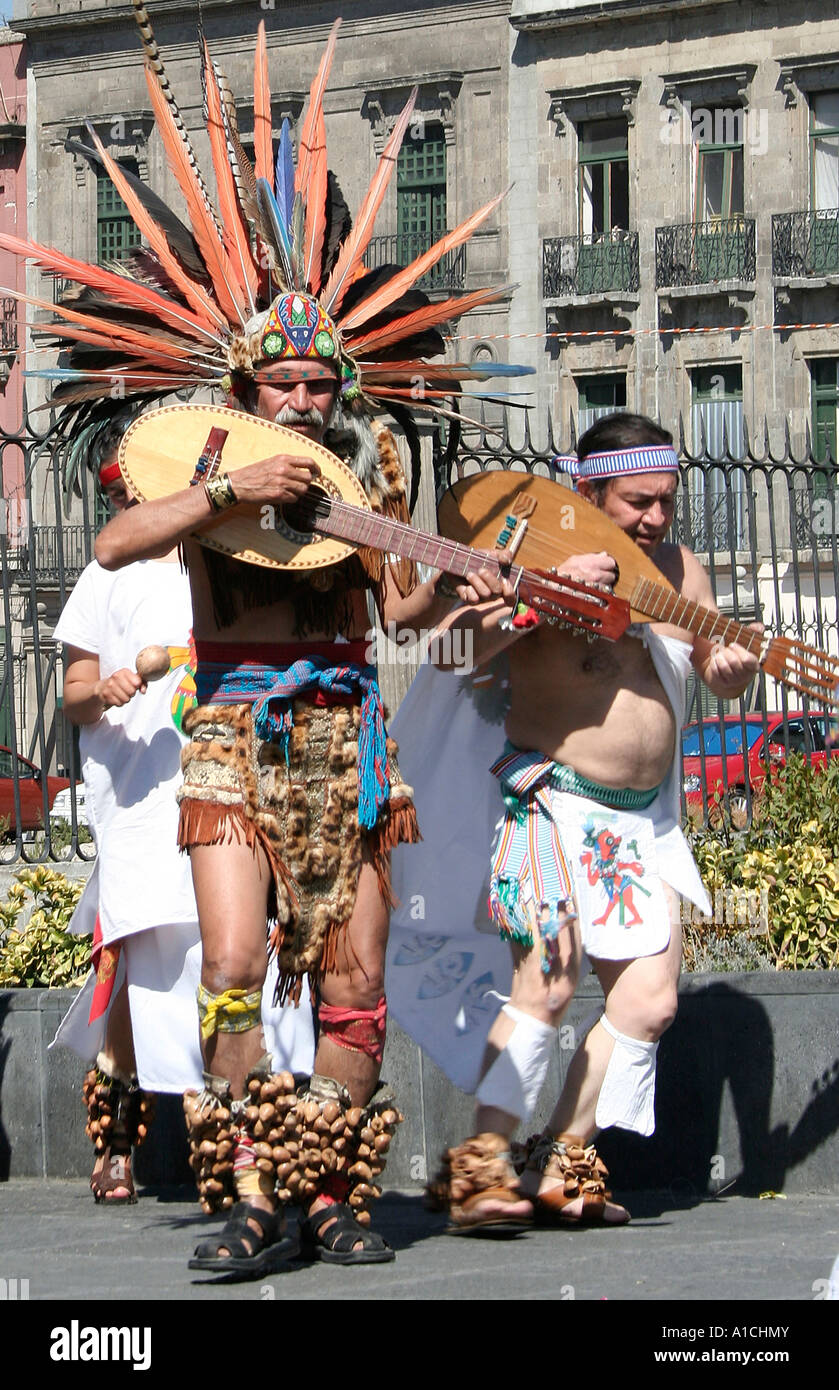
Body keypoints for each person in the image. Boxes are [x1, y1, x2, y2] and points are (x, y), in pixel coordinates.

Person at [0, 8, 535, 1276]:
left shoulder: (375, 475)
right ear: (242, 395)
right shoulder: (198, 471)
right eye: (280, 386)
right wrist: (229, 496)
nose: (302, 399)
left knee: (352, 980)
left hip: (348, 736)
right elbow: (124, 542)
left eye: (316, 387)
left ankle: (331, 1187)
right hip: (233, 730)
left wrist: (466, 597)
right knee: (234, 966)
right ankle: (250, 1187)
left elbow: (399, 616)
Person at [387, 412, 762, 1232]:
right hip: (553, 802)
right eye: (635, 501)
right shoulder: (530, 558)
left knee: (650, 1003)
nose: (654, 519)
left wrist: (729, 671)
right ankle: (480, 1165)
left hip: (643, 826)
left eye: (665, 500)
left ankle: (562, 1159)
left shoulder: (677, 569)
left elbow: (713, 671)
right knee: (549, 982)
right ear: (587, 494)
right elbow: (440, 655)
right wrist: (535, 602)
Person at [52, 414, 313, 1203]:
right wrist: (104, 692)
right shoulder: (113, 568)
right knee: (142, 954)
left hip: (232, 781)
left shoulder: (245, 555)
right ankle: (119, 1134)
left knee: (225, 951)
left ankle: (231, 1132)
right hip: (140, 791)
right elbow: (71, 695)